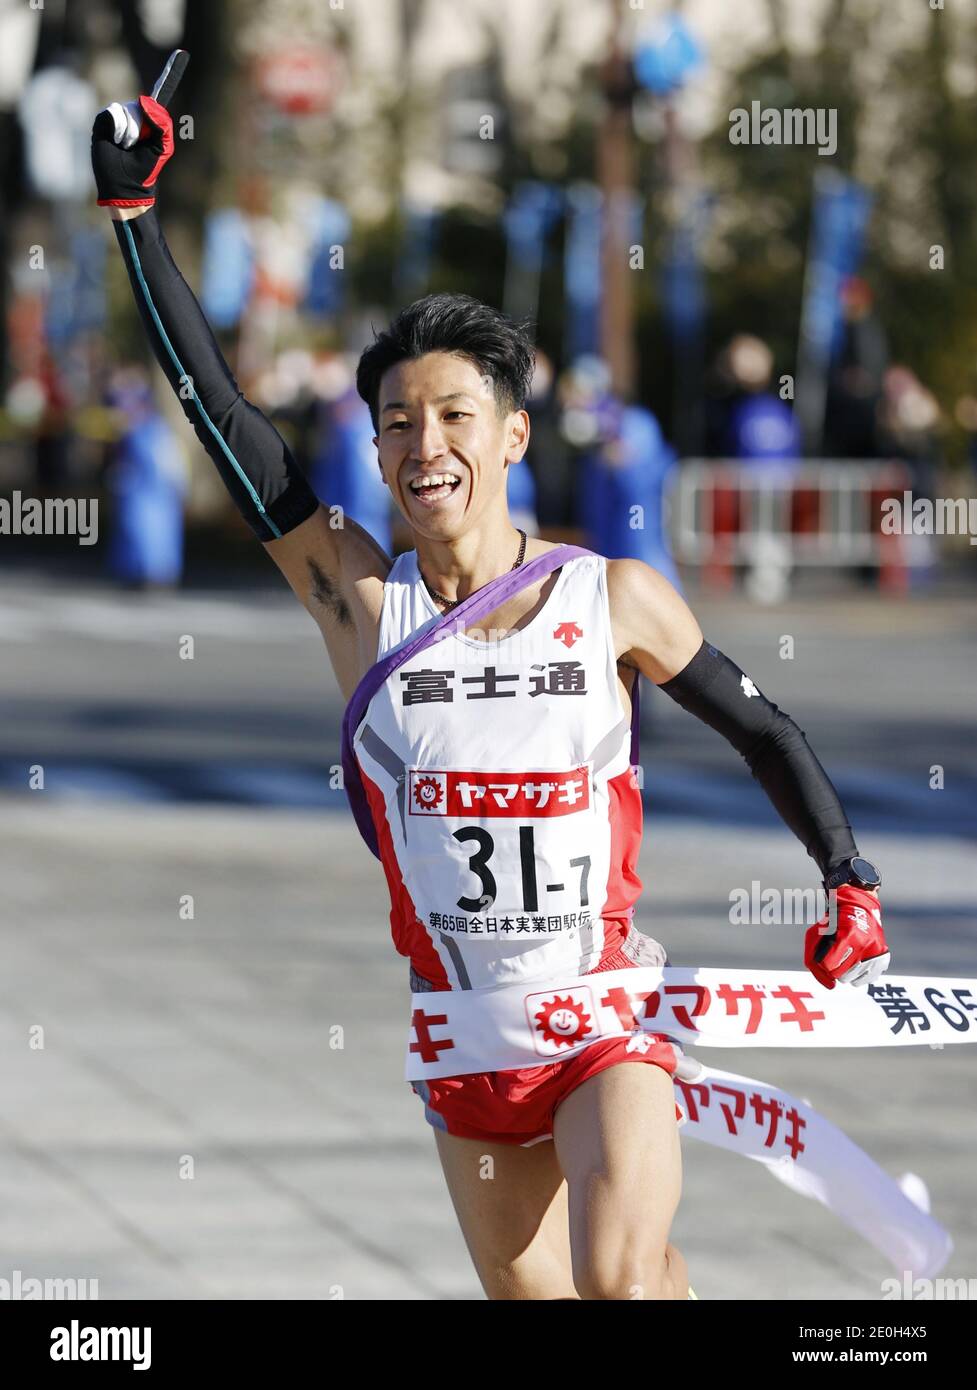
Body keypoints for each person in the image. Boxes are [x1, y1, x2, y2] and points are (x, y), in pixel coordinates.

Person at [91, 53, 892, 1301]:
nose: (427, 445)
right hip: (462, 1041)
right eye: (400, 423)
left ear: (511, 436)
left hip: (603, 1026)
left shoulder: (609, 598)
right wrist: (137, 221)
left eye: (457, 416)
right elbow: (224, 419)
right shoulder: (362, 602)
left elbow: (761, 727)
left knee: (618, 1278)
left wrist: (846, 876)